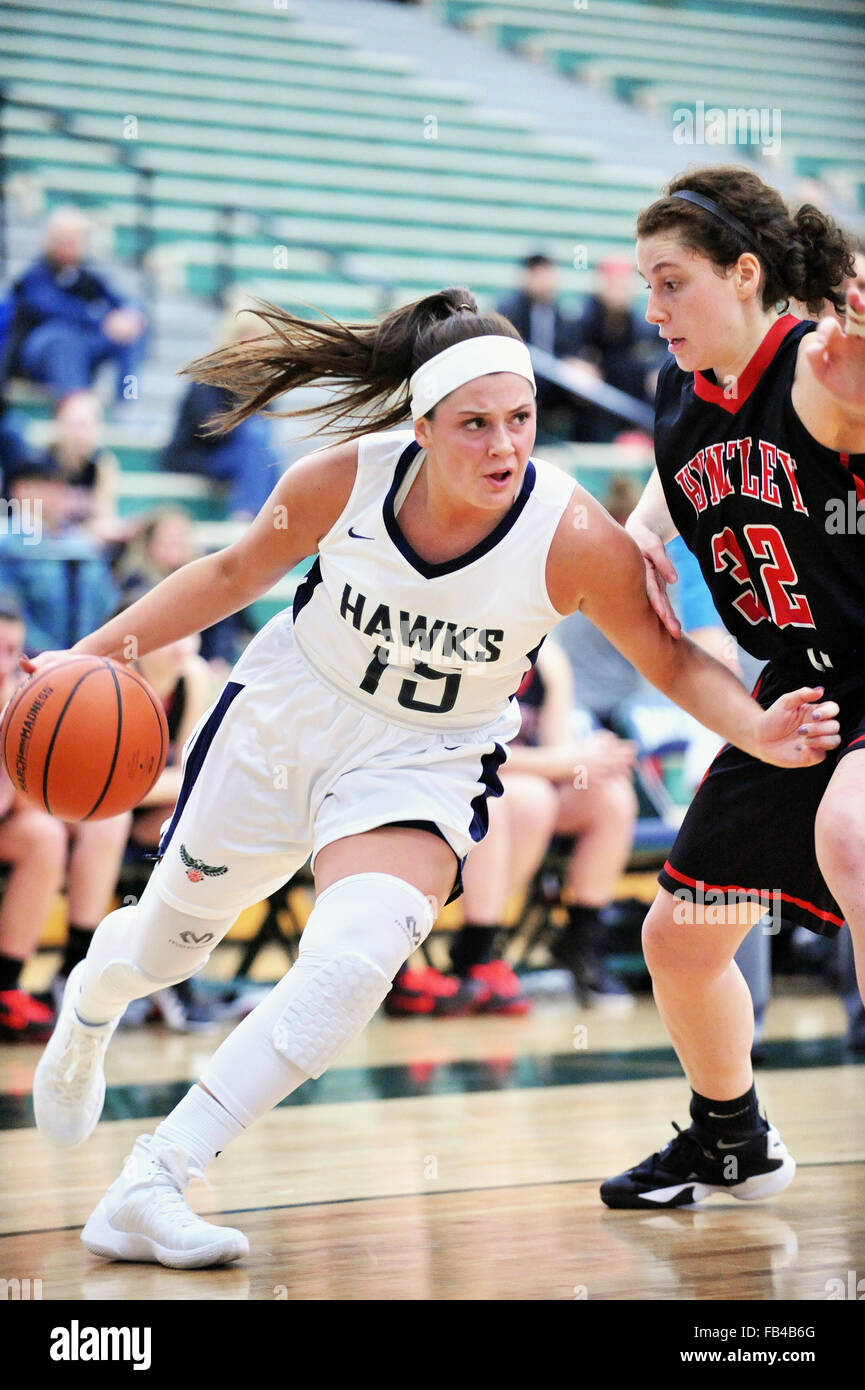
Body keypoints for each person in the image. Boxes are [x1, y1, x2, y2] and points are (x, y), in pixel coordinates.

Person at [26, 287, 837, 1268]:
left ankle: (151, 1180)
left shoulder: (570, 533)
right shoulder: (343, 481)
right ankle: (93, 1007)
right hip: (283, 725)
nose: (503, 446)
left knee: (351, 960)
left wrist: (755, 724)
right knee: (162, 951)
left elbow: (669, 662)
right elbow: (231, 575)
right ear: (421, 425)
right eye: (475, 425)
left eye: (521, 420)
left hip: (420, 762)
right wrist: (90, 654)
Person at [598, 165, 865, 1210]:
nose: (651, 307)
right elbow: (686, 466)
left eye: (671, 282)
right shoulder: (678, 391)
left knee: (853, 834)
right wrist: (644, 533)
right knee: (679, 935)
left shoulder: (818, 368)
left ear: (744, 273)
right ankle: (729, 1141)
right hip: (797, 694)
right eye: (644, 284)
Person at [1, 207, 147, 405]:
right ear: (50, 240)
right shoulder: (34, 278)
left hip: (83, 347)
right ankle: (76, 407)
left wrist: (130, 315)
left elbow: (121, 301)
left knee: (133, 324)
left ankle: (128, 399)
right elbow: (55, 308)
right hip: (36, 357)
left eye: (75, 240)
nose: (69, 247)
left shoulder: (86, 276)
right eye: (64, 239)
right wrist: (104, 320)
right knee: (62, 336)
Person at [160, 301, 282, 521]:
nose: (251, 348)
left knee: (269, 454)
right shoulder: (208, 376)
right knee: (255, 436)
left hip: (239, 454)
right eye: (245, 341)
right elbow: (211, 428)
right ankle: (251, 517)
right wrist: (244, 421)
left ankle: (256, 517)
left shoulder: (263, 382)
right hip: (198, 454)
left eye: (257, 342)